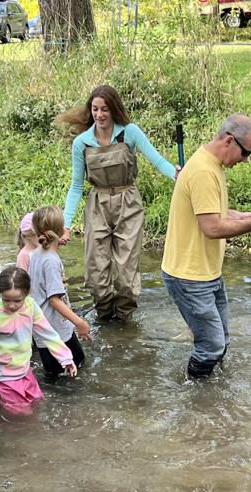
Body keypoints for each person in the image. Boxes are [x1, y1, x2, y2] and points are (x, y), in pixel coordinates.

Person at [161, 113, 251, 379]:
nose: (246, 160)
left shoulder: (211, 163)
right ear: (229, 141)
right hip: (189, 275)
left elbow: (209, 210)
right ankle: (197, 402)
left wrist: (243, 216)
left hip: (206, 272)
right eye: (246, 152)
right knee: (211, 345)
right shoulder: (204, 171)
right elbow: (212, 227)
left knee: (221, 340)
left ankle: (214, 395)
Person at [56, 84, 179, 321]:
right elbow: (77, 186)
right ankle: (104, 319)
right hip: (97, 206)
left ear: (114, 109)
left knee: (126, 277)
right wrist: (66, 222)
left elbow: (157, 160)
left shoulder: (130, 132)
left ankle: (124, 323)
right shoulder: (81, 143)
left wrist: (176, 174)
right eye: (95, 109)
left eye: (104, 109)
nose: (99, 115)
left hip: (129, 205)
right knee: (96, 277)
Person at [0, 266, 77, 416]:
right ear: (0, 294)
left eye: (17, 300)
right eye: (6, 300)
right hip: (2, 375)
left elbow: (47, 332)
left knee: (38, 403)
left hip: (23, 369)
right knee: (21, 415)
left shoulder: (30, 306)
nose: (11, 305)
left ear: (27, 293)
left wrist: (65, 358)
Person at [28, 206, 91, 381]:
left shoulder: (37, 253)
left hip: (41, 327)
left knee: (53, 374)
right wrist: (79, 323)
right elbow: (55, 300)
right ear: (60, 229)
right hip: (56, 329)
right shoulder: (51, 261)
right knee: (77, 367)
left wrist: (58, 241)